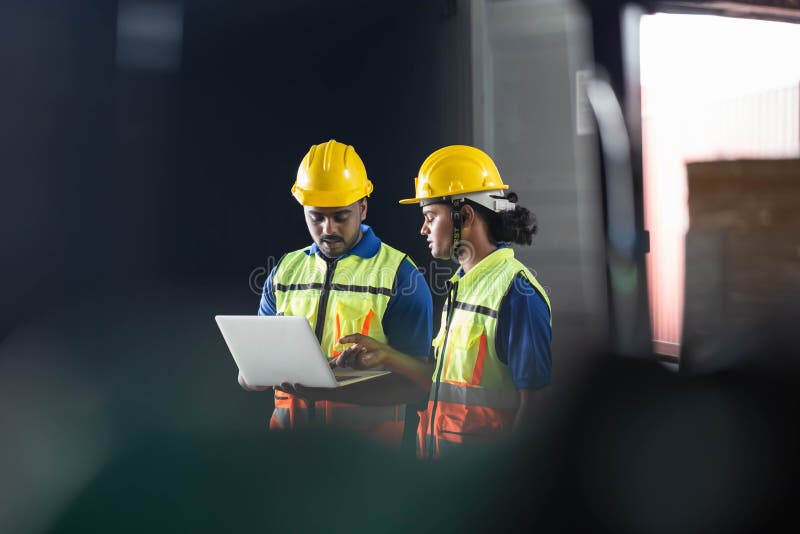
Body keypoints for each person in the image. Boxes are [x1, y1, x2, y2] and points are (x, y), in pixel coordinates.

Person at [332, 144, 552, 457]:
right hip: (444, 472)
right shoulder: (464, 287)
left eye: (431, 217)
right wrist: (385, 355)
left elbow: (536, 408)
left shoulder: (516, 294)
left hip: (484, 483)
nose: (423, 229)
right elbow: (441, 383)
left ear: (466, 215)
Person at [238, 139, 432, 448]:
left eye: (340, 216)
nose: (328, 228)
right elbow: (252, 372)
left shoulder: (401, 275)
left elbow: (417, 385)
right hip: (286, 455)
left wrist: (332, 393)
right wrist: (250, 376)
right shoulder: (284, 271)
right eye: (316, 217)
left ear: (363, 208)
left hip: (367, 463)